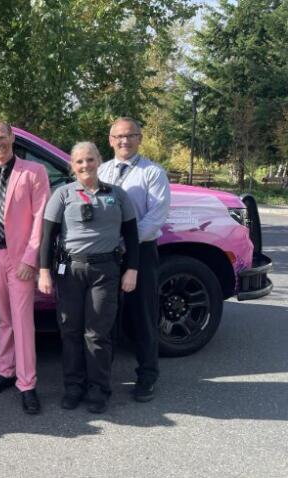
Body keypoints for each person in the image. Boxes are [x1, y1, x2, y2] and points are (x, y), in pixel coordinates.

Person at [38, 142, 139, 413]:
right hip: (70, 270)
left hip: (106, 270)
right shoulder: (62, 195)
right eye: (79, 161)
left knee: (98, 334)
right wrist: (44, 271)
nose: (85, 166)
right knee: (70, 331)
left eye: (90, 160)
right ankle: (74, 387)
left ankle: (98, 389)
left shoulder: (117, 195)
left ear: (99, 161)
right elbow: (48, 236)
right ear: (72, 165)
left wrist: (132, 269)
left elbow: (131, 236)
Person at [0, 121, 50, 414]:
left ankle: (27, 384)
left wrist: (31, 259)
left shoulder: (34, 172)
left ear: (12, 137)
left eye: (2, 137)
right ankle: (5, 371)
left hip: (21, 260)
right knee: (3, 319)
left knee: (22, 322)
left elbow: (41, 219)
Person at [98, 117, 171, 402]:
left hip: (140, 250)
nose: (124, 141)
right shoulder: (102, 169)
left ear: (140, 138)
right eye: (119, 136)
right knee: (107, 316)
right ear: (110, 139)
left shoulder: (153, 173)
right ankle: (104, 379)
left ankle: (147, 376)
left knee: (143, 315)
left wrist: (124, 242)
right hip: (106, 253)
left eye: (130, 136)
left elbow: (156, 217)